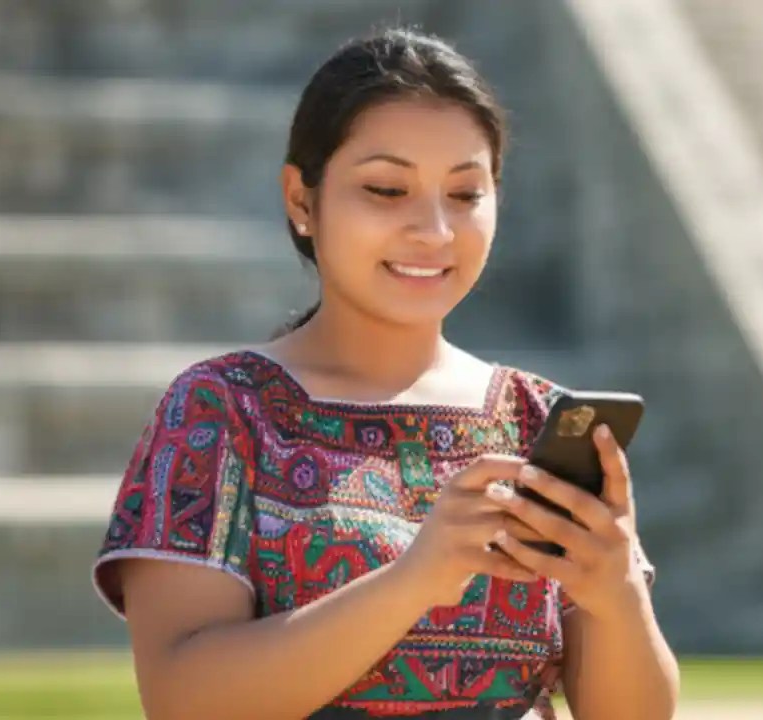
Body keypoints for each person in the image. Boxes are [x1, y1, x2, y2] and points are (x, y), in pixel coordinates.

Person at [91, 27, 679, 720]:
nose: (434, 230)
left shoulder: (534, 417)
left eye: (465, 194)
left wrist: (615, 594)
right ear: (301, 201)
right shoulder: (222, 410)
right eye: (386, 189)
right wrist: (413, 581)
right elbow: (184, 703)